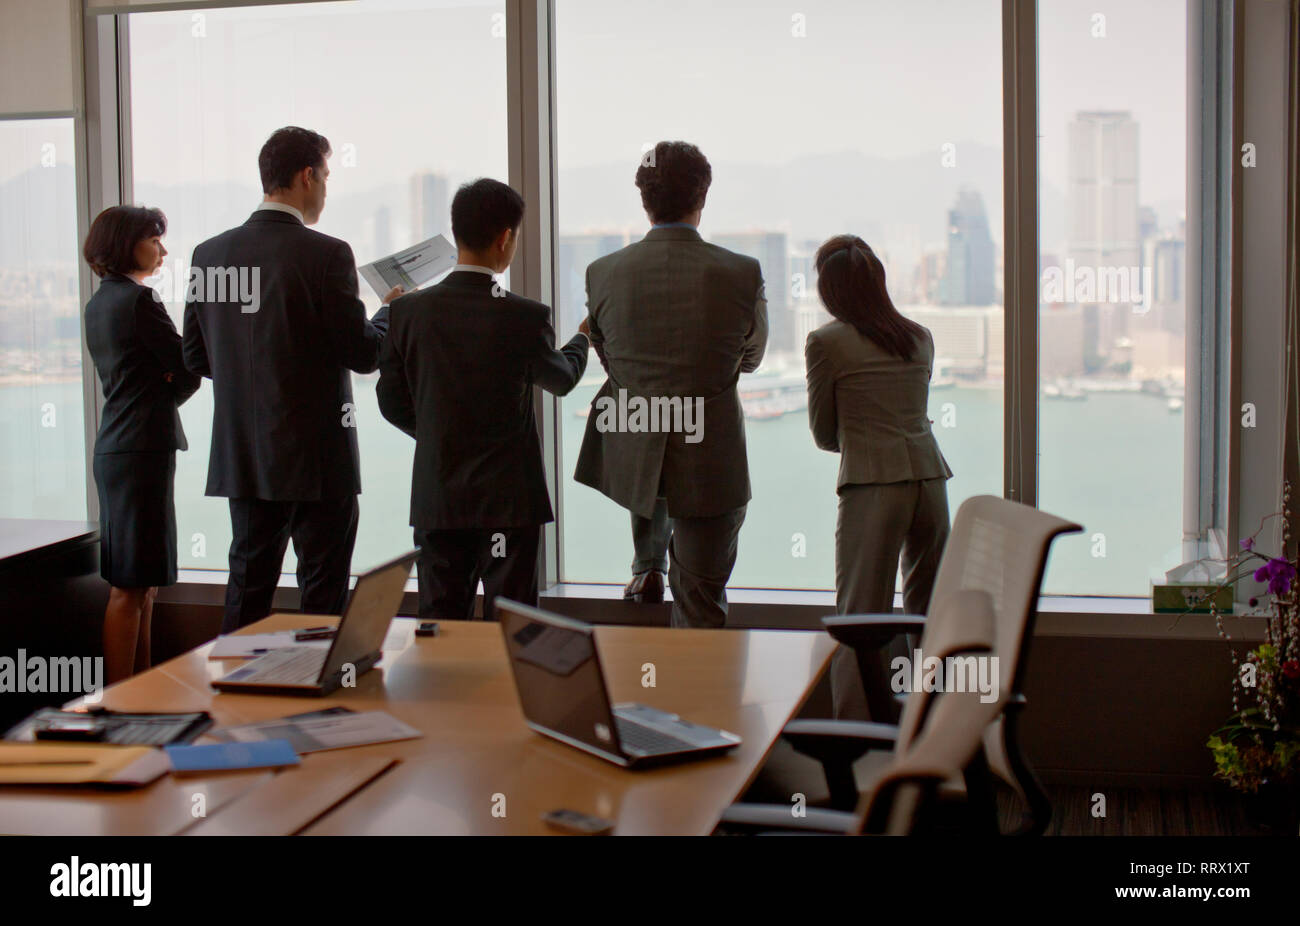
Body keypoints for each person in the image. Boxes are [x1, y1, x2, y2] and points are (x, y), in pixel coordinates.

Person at [182, 126, 402, 634]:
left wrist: (251, 373)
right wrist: (389, 313)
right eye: (325, 176)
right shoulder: (327, 253)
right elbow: (363, 354)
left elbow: (195, 355)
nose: (325, 188)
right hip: (318, 458)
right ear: (307, 176)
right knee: (322, 590)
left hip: (245, 455)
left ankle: (232, 694)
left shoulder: (208, 254)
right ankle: (315, 697)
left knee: (248, 583)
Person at [574, 141, 767, 628]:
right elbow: (753, 358)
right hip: (711, 458)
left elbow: (609, 358)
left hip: (637, 449)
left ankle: (647, 564)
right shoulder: (741, 273)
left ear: (644, 202)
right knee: (701, 604)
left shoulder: (603, 273)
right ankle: (697, 700)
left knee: (651, 461)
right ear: (702, 196)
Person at [377, 178, 588, 621]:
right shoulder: (525, 316)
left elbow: (391, 403)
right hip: (509, 504)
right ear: (504, 239)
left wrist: (439, 434)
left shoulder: (407, 313)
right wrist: (582, 340)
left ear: (456, 234)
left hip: (439, 499)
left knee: (441, 624)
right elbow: (563, 379)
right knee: (511, 628)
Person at [804, 233, 953, 720]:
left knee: (859, 618)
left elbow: (826, 434)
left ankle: (855, 738)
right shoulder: (919, 336)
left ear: (831, 292)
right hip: (929, 481)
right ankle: (933, 730)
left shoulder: (826, 343)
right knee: (930, 617)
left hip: (872, 484)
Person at [82, 205, 200, 683]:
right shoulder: (139, 301)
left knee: (139, 583)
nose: (163, 250)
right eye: (155, 239)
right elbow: (186, 365)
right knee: (131, 587)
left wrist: (166, 380)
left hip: (120, 448)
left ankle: (140, 689)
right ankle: (121, 699)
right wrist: (169, 386)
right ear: (127, 242)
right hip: (140, 451)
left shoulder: (99, 303)